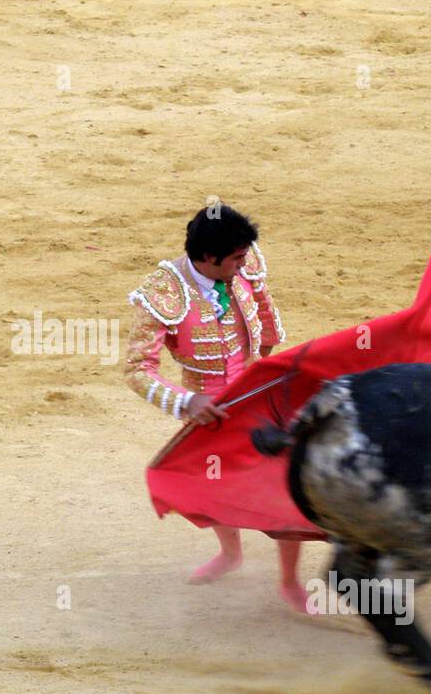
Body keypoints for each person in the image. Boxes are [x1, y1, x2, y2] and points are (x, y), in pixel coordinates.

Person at [124, 203, 311, 613]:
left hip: (255, 392)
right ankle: (231, 555)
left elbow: (262, 303)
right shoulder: (163, 293)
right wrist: (186, 401)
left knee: (284, 485)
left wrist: (269, 350)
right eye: (236, 260)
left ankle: (290, 583)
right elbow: (137, 369)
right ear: (209, 258)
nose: (245, 266)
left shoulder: (241, 260)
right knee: (211, 488)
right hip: (208, 408)